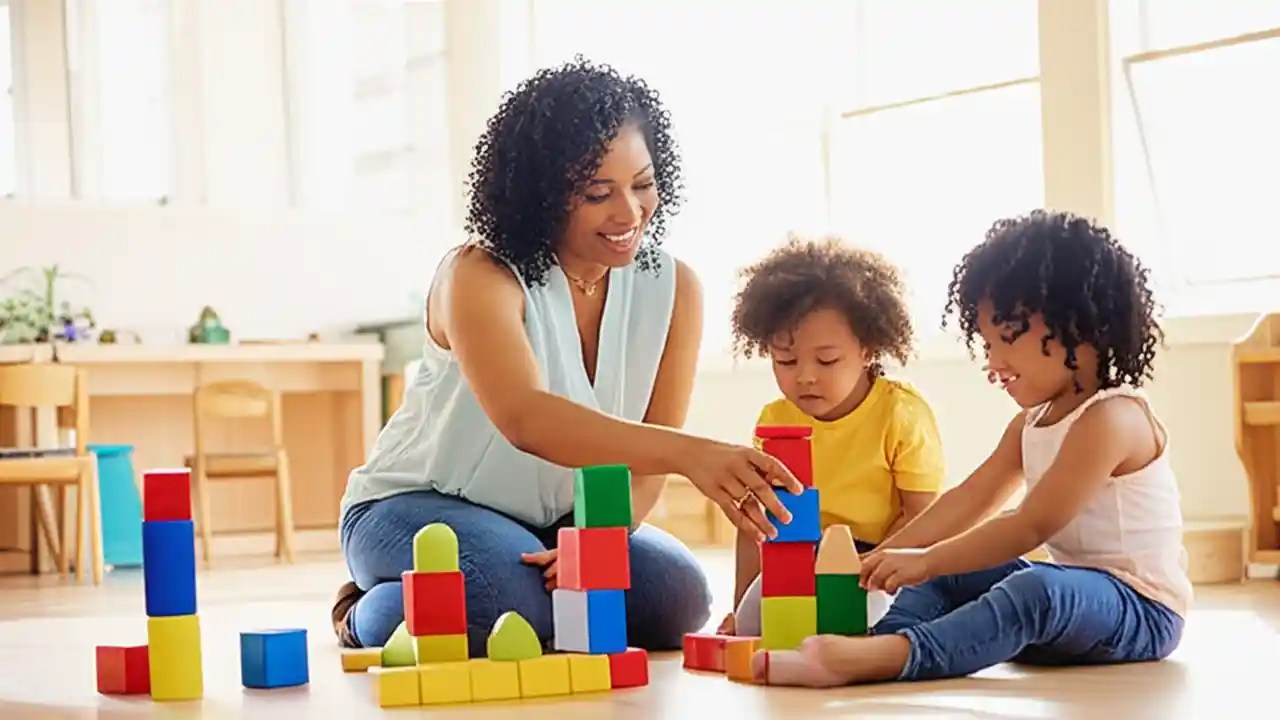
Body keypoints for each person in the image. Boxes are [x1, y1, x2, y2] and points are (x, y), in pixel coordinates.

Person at [330, 56, 802, 654]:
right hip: (416, 506)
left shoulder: (675, 287)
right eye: (598, 193)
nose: (629, 213)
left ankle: (467, 600)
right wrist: (696, 456)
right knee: (508, 596)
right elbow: (526, 417)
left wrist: (599, 536)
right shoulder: (480, 274)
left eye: (642, 185)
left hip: (548, 522)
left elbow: (646, 460)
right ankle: (366, 613)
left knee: (675, 597)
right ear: (542, 194)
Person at [753, 209, 1191, 686]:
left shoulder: (1112, 418)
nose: (994, 362)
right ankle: (879, 635)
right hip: (1073, 607)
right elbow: (969, 499)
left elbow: (1030, 524)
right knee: (946, 574)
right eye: (987, 344)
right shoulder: (1031, 423)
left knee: (1031, 585)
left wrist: (927, 557)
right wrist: (884, 561)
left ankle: (892, 656)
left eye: (1006, 341)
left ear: (1081, 329)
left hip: (1140, 612)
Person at [715, 234, 945, 637]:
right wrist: (738, 608)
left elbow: (921, 516)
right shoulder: (776, 420)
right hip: (796, 560)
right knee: (755, 625)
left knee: (870, 624)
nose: (804, 376)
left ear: (869, 349)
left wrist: (872, 569)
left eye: (827, 360)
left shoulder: (900, 412)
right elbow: (754, 524)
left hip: (876, 561)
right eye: (785, 360)